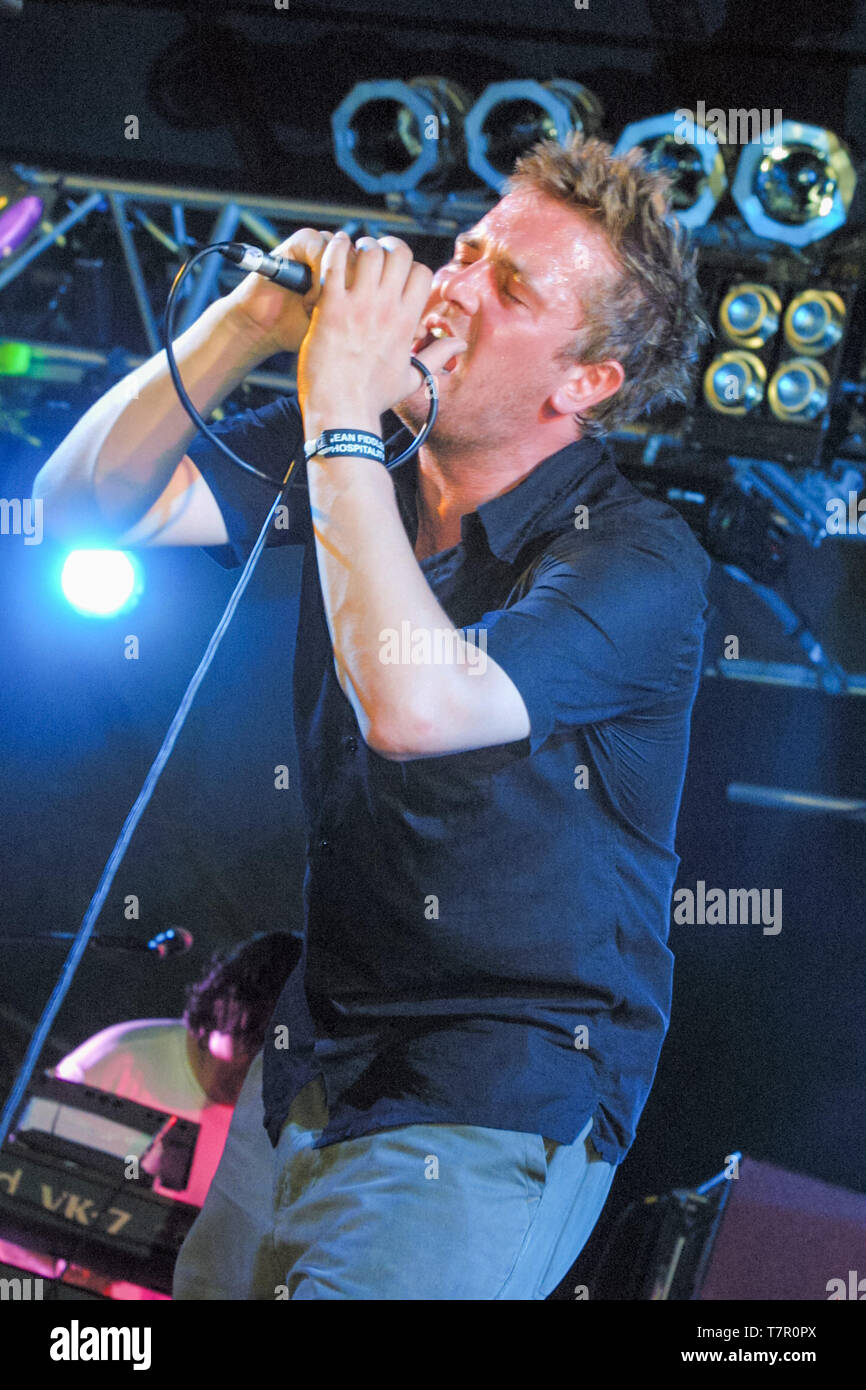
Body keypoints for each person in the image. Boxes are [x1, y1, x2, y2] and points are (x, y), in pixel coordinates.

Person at [33, 132, 711, 1300]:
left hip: (490, 1095)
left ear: (584, 382)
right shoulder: (368, 465)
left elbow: (414, 703)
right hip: (311, 1070)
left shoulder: (637, 559)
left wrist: (340, 410)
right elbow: (77, 507)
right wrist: (247, 323)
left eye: (508, 287)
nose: (451, 288)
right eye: (463, 251)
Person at [0, 932, 300, 1297]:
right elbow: (16, 1201)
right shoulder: (119, 1063)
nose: (261, 1073)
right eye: (255, 1044)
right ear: (226, 1006)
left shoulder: (288, 1126)